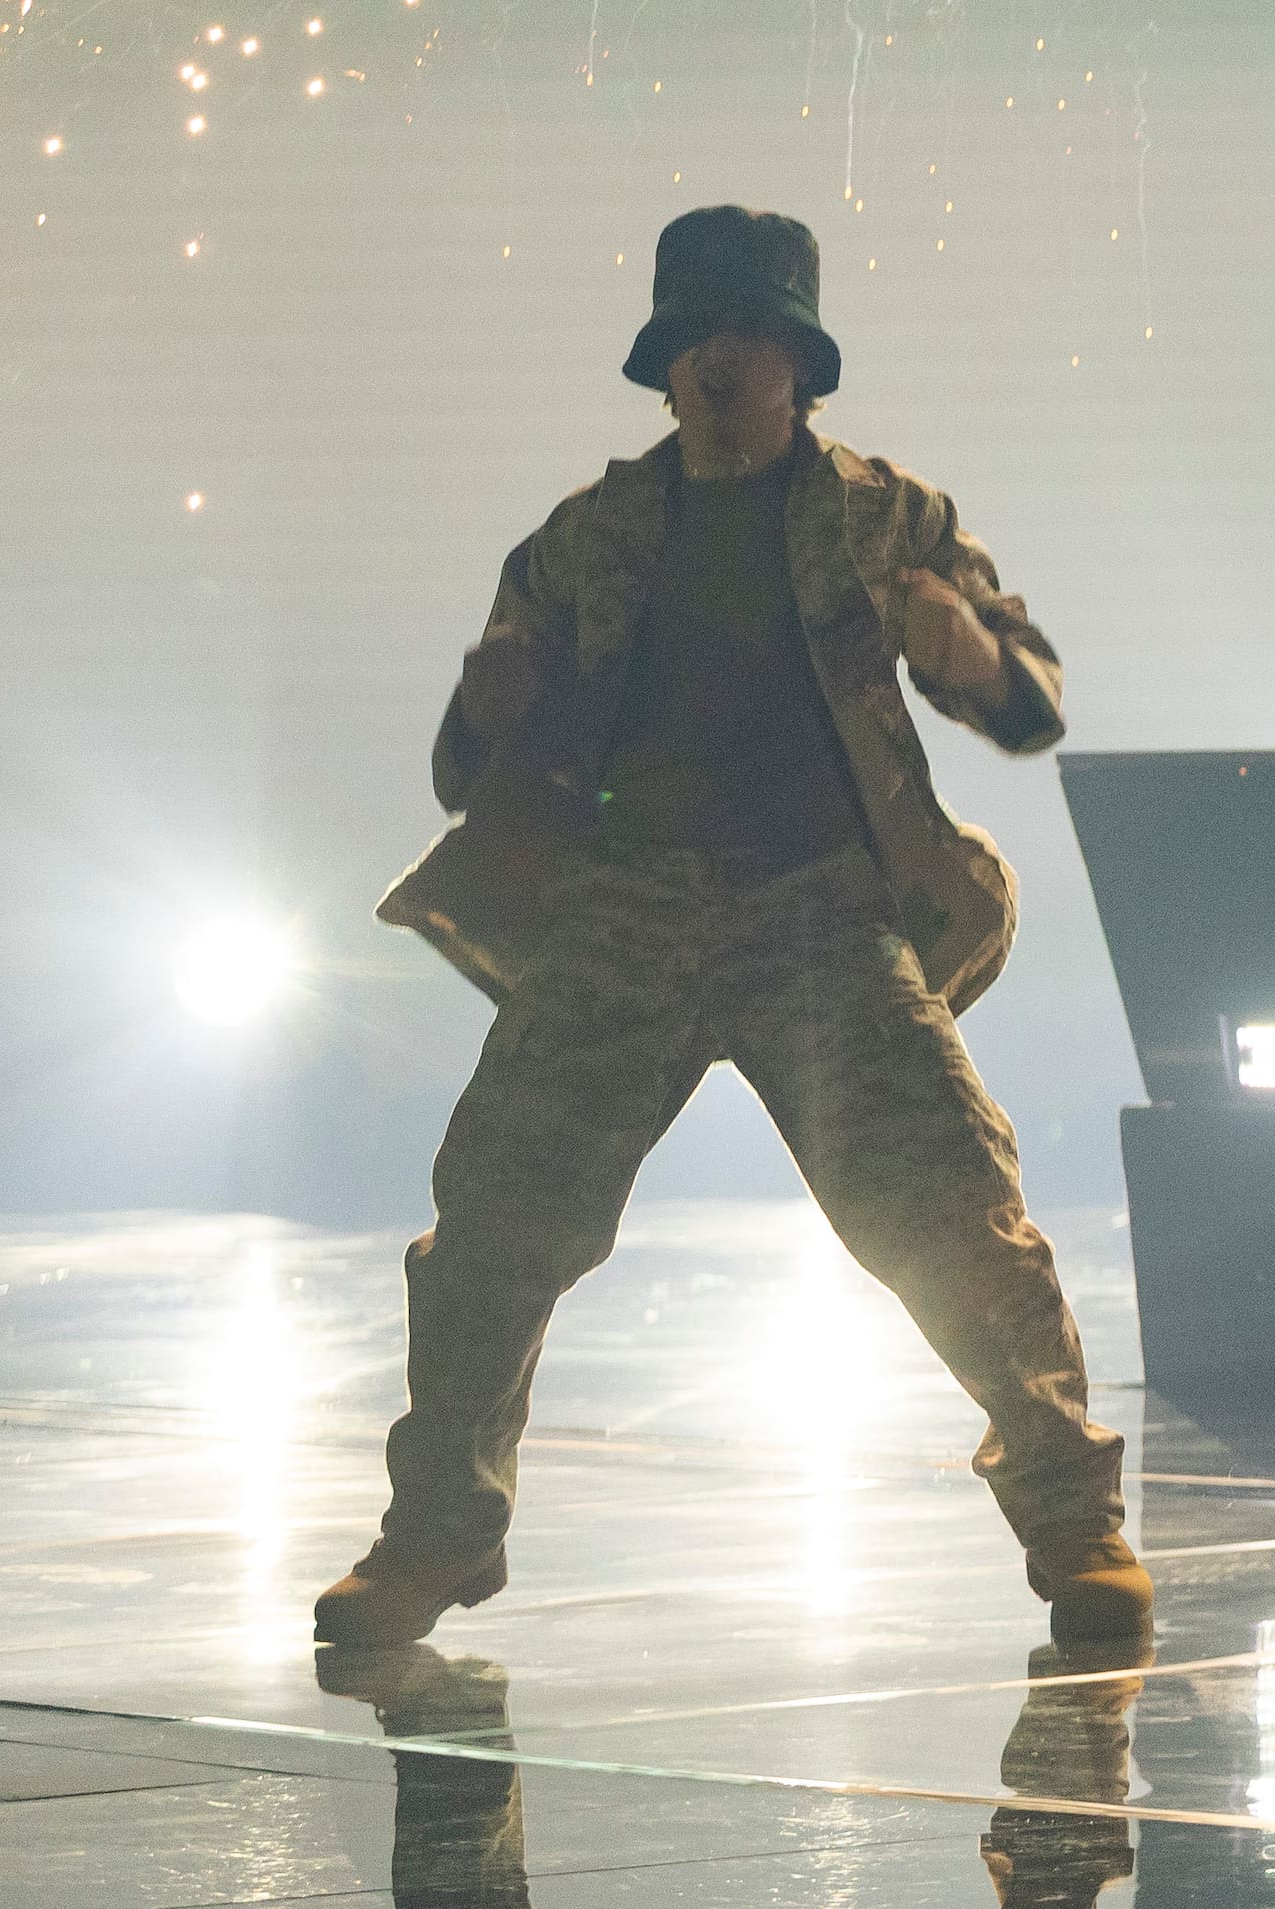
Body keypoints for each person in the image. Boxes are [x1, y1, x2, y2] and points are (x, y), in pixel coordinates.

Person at [313, 206, 1144, 1653]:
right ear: (664, 361)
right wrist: (487, 711)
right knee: (495, 1228)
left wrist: (965, 652)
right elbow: (468, 766)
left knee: (954, 1214)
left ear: (800, 363)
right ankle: (433, 1540)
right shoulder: (593, 534)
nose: (719, 362)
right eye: (696, 336)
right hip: (624, 904)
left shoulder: (884, 517)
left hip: (818, 903)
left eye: (747, 336)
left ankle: (1079, 1533)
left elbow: (1033, 698)